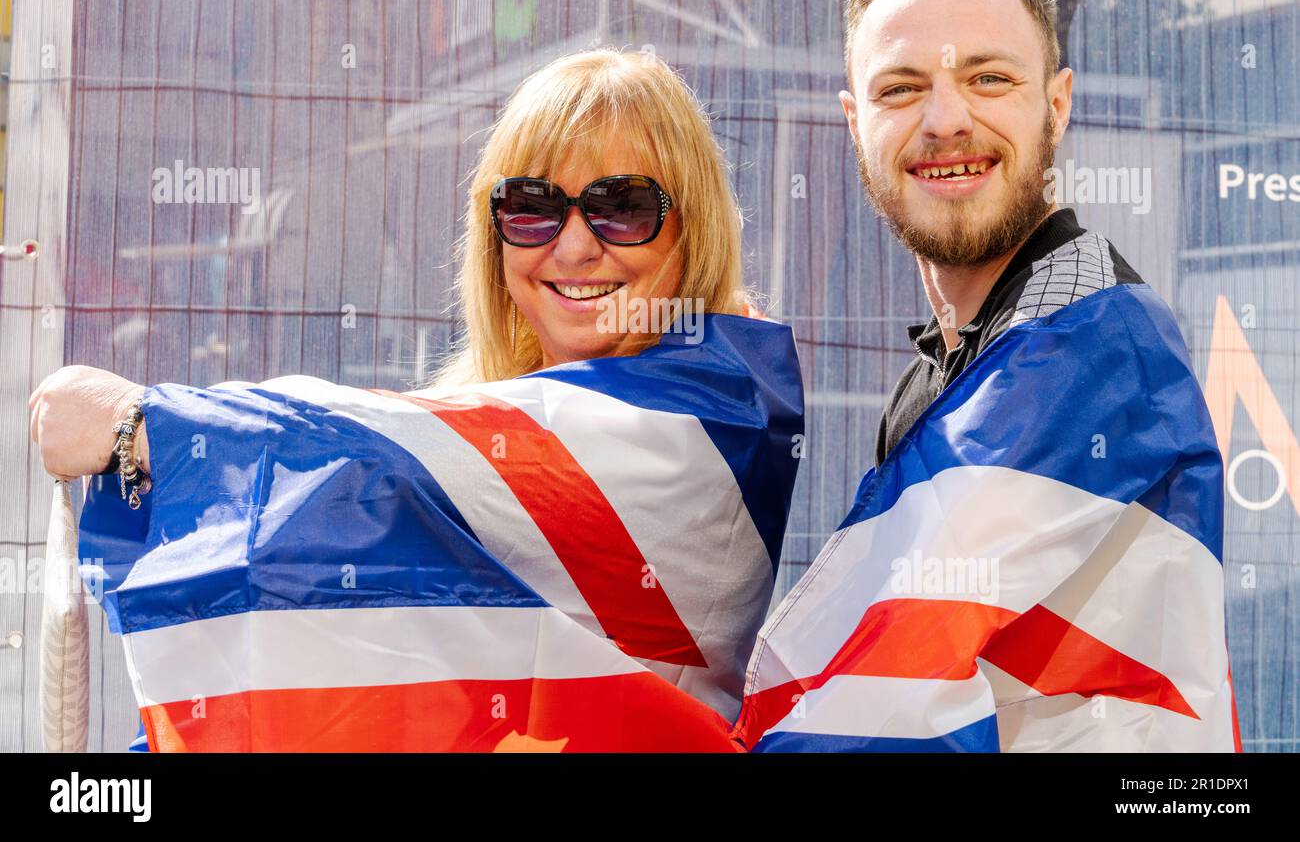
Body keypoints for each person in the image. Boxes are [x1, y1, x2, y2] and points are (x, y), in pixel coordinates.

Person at [30, 48, 804, 751]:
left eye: (623, 205)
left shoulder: (721, 412)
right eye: (532, 205)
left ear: (691, 226)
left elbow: (364, 478)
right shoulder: (464, 423)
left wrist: (146, 425)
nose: (573, 246)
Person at [730, 0, 1238, 752]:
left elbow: (881, 705)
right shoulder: (950, 365)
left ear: (1057, 104)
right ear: (856, 122)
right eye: (901, 89)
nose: (946, 120)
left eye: (989, 79)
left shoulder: (1093, 345)